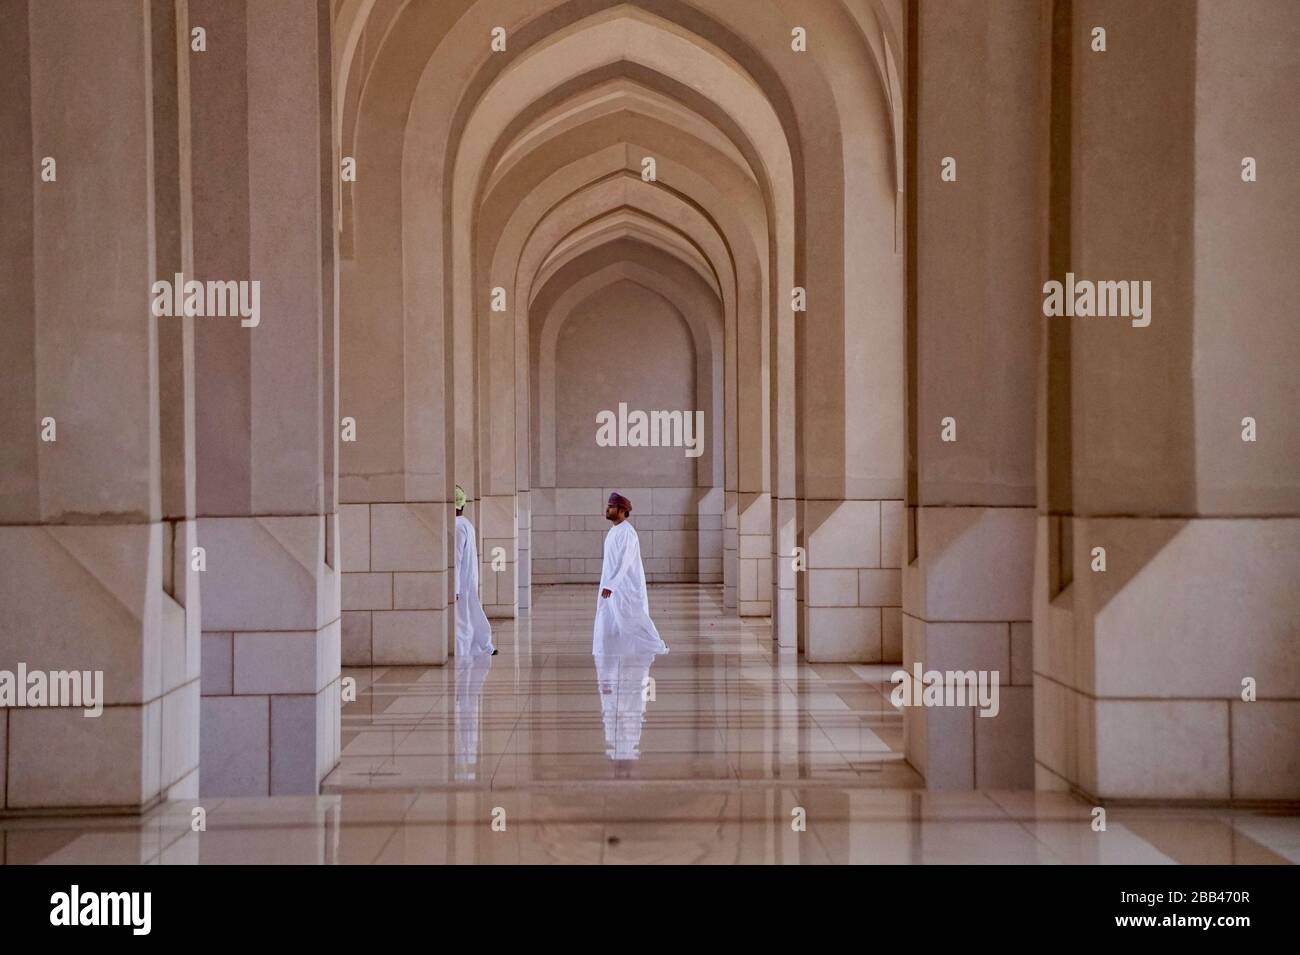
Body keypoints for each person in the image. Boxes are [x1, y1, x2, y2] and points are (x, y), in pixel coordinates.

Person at [593, 492, 668, 657]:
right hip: (613, 586)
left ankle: (654, 645)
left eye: (611, 507)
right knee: (611, 619)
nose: (607, 509)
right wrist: (609, 584)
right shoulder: (614, 530)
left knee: (634, 620)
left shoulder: (627, 532)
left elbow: (624, 562)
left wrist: (611, 584)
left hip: (626, 587)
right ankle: (612, 651)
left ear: (621, 510)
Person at [454, 484, 497, 657]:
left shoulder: (457, 527)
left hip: (462, 580)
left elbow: (455, 559)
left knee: (463, 617)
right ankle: (485, 645)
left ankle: (463, 650)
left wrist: (454, 587)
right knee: (471, 612)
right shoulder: (466, 524)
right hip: (468, 577)